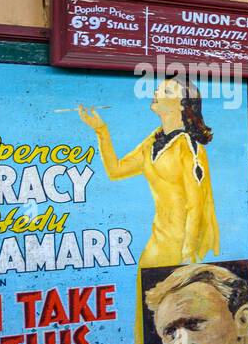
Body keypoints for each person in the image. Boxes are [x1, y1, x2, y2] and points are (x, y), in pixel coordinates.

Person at [78, 75, 219, 266]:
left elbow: (196, 205)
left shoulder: (189, 146)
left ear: (182, 106)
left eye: (166, 91)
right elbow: (115, 170)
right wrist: (101, 131)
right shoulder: (152, 142)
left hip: (181, 249)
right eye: (159, 89)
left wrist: (188, 254)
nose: (156, 92)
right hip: (156, 246)